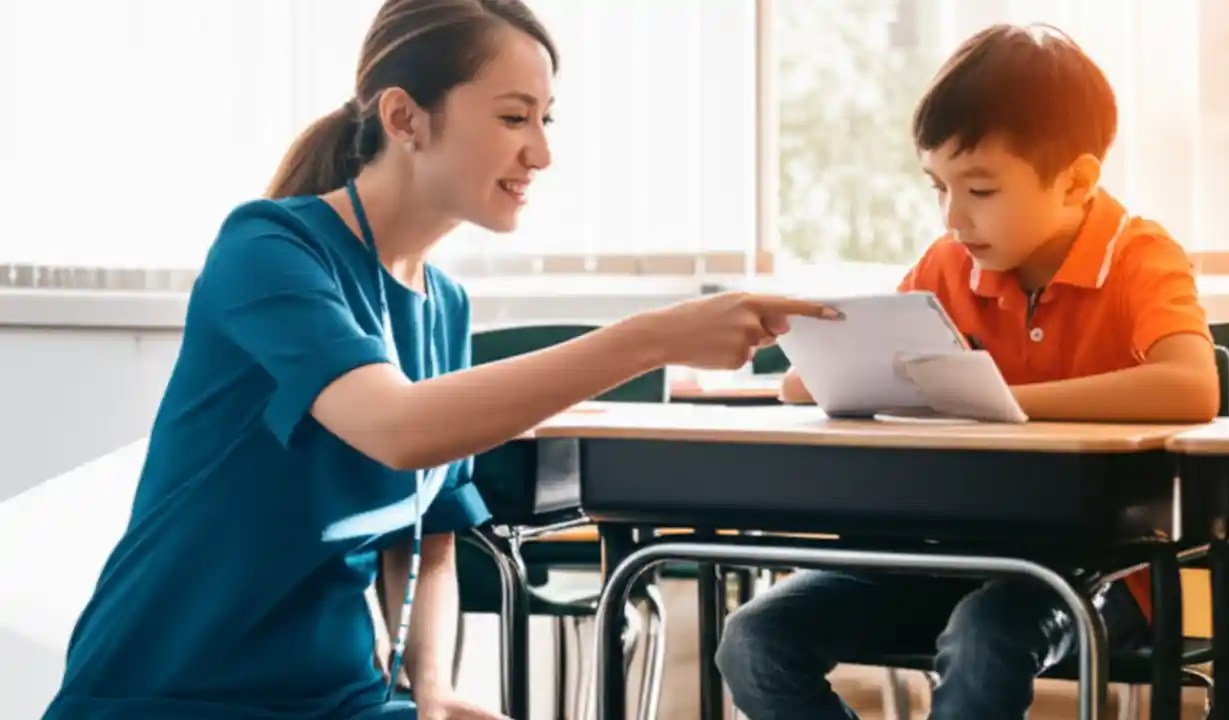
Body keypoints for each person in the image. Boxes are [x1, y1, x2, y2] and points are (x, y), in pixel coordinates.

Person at [41, 2, 838, 718]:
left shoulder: (443, 305)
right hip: (169, 689)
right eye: (513, 117)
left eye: (545, 120)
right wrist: (654, 336)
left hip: (339, 697)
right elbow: (397, 430)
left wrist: (434, 692)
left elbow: (431, 536)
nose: (540, 154)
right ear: (405, 117)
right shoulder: (268, 250)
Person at [715, 23, 1219, 719]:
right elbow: (810, 384)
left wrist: (997, 400)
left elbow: (1192, 386)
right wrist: (830, 375)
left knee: (985, 635)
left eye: (980, 189)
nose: (953, 217)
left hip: (1092, 571)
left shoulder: (1140, 255)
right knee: (754, 638)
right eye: (938, 187)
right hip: (938, 555)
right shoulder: (949, 263)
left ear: (1075, 181)